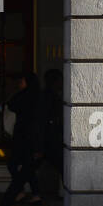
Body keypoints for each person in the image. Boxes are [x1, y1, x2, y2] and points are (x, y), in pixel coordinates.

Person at [0, 71, 46, 206]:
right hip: (27, 143)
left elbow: (13, 104)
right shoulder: (34, 97)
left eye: (22, 81)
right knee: (22, 175)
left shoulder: (28, 97)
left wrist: (38, 147)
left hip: (26, 143)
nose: (20, 83)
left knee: (20, 176)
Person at [41, 68, 66, 196]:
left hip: (47, 137)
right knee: (62, 166)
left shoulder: (46, 96)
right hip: (51, 137)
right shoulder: (53, 98)